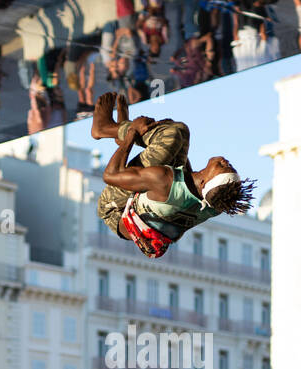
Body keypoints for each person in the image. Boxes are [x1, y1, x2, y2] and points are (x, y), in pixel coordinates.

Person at [92, 93, 254, 258]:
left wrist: (133, 132)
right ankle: (122, 135)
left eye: (222, 167)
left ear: (205, 183)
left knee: (173, 134)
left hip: (114, 209)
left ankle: (104, 128)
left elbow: (111, 174)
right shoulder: (216, 203)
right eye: (230, 166)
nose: (226, 162)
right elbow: (186, 176)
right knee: (180, 139)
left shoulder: (164, 181)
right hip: (155, 216)